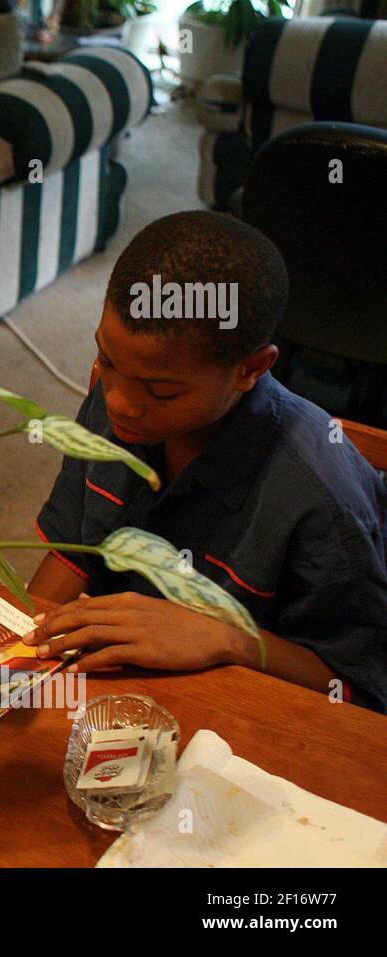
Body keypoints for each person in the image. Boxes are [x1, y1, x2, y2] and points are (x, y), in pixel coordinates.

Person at [26, 211, 387, 711]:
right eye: (107, 362)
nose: (118, 403)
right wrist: (13, 656)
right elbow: (73, 553)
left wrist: (226, 637)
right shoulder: (126, 396)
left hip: (250, 723)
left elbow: (361, 694)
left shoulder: (323, 501)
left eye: (162, 391)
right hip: (124, 697)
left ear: (251, 369)